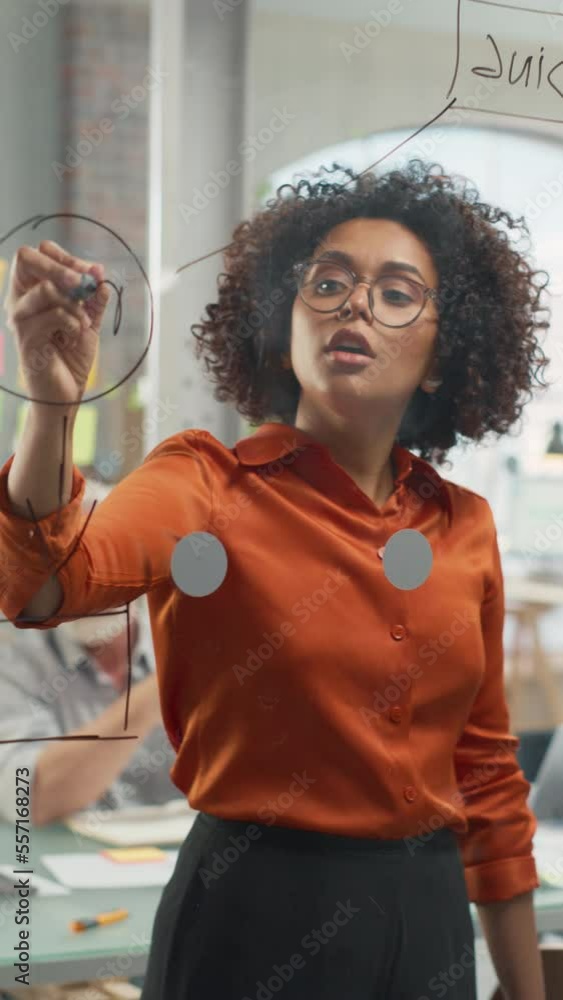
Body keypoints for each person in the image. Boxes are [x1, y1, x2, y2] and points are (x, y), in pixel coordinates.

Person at [0, 159, 549, 998]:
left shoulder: (463, 525)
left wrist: (525, 988)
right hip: (255, 920)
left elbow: (485, 778)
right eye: (326, 282)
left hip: (430, 920)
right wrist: (50, 406)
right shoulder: (202, 482)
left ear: (442, 360)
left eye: (396, 292)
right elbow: (47, 587)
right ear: (284, 329)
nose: (355, 303)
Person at [0, 476, 185, 827]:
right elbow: (29, 798)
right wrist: (159, 688)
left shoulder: (190, 639)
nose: (79, 586)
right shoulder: (11, 660)